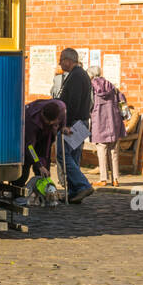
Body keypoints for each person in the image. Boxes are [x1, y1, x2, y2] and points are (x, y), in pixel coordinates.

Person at [57, 48, 94, 203]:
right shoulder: (81, 75)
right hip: (82, 122)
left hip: (75, 123)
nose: (59, 63)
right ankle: (74, 192)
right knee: (73, 156)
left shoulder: (76, 76)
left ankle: (82, 185)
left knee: (63, 155)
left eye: (61, 60)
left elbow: (72, 103)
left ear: (68, 60)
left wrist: (66, 124)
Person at [16, 98, 66, 205]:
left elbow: (63, 115)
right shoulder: (30, 121)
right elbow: (29, 147)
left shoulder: (60, 108)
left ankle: (45, 194)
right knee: (26, 164)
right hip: (29, 138)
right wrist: (39, 165)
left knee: (45, 161)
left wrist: (62, 127)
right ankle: (18, 192)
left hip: (45, 137)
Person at [89, 69, 124, 187]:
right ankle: (115, 179)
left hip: (99, 122)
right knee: (114, 152)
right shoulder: (112, 86)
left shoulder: (91, 87)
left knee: (101, 150)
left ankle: (103, 179)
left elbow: (89, 104)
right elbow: (122, 100)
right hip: (114, 122)